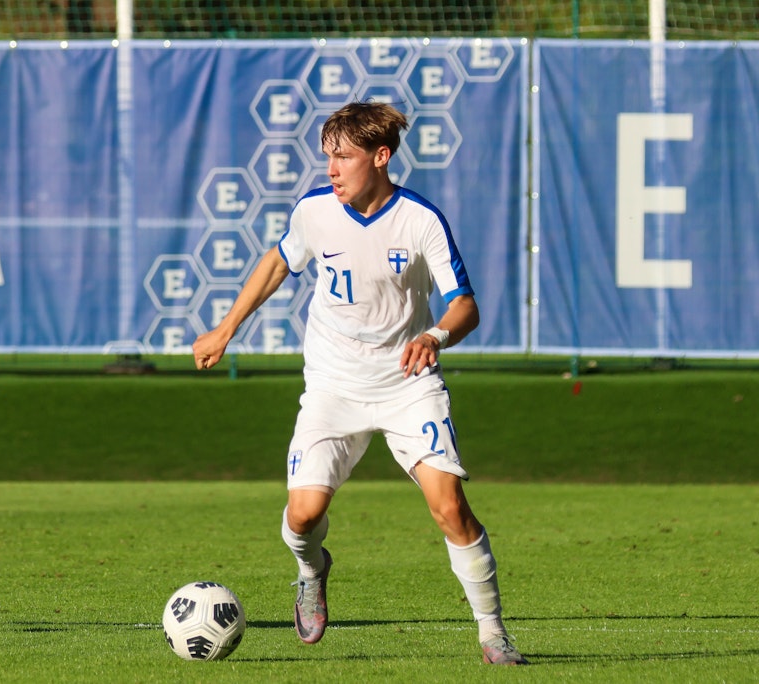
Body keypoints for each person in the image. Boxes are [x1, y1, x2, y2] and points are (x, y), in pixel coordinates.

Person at [192, 102, 525, 665]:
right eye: (328, 156)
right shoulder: (315, 212)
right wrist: (226, 328)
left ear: (381, 156)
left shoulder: (421, 220)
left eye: (343, 156)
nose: (332, 169)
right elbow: (278, 262)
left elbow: (464, 306)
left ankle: (493, 633)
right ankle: (311, 570)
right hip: (333, 385)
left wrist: (436, 338)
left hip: (407, 384)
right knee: (302, 515)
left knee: (450, 506)